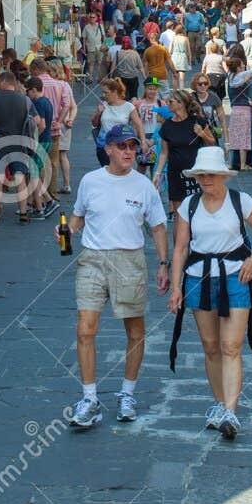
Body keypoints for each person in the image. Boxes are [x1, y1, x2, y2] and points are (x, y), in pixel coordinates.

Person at [167, 147, 252, 440]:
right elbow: (180, 248)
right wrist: (176, 286)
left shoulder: (241, 201)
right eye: (201, 175)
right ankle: (219, 403)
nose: (206, 179)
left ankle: (230, 411)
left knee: (231, 346)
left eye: (211, 174)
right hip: (198, 277)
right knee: (210, 345)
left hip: (235, 276)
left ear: (223, 176)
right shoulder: (189, 205)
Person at [68, 124, 171, 430]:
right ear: (109, 149)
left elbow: (158, 226)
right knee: (85, 330)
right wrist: (68, 229)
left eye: (132, 146)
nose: (129, 152)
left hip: (129, 260)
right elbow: (78, 215)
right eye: (122, 146)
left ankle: (127, 393)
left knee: (135, 330)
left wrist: (163, 264)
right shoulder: (90, 181)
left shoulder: (143, 185)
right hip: (92, 259)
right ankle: (89, 399)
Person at [0, 70, 38, 225]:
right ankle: (23, 213)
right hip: (19, 140)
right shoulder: (24, 99)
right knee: (20, 176)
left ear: (4, 81)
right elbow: (37, 121)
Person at [155, 89, 217, 223]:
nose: (167, 103)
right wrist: (158, 173)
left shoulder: (197, 121)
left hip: (196, 174)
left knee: (198, 213)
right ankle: (180, 238)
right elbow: (164, 153)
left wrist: (202, 134)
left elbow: (212, 142)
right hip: (175, 174)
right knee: (179, 216)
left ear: (181, 103)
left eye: (170, 101)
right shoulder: (167, 125)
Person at [31, 58, 77, 197]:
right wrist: (59, 121)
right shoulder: (60, 84)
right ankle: (52, 194)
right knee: (54, 162)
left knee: (40, 162)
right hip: (55, 128)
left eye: (32, 70)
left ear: (36, 69)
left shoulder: (36, 83)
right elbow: (67, 104)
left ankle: (41, 196)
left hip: (40, 128)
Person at [91, 78, 148, 169]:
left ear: (114, 92)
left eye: (106, 93)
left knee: (120, 171)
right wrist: (98, 113)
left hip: (121, 146)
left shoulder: (128, 106)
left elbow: (139, 125)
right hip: (104, 146)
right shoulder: (103, 105)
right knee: (108, 171)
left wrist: (143, 141)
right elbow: (94, 124)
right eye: (103, 92)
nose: (103, 95)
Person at [26, 75, 56, 218]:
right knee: (34, 173)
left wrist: (33, 139)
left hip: (41, 141)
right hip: (47, 140)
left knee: (33, 174)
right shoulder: (47, 101)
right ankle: (36, 204)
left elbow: (41, 125)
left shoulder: (38, 103)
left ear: (33, 90)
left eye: (28, 91)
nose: (27, 94)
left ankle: (48, 201)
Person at [225, 53, 252, 171]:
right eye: (242, 64)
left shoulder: (230, 77)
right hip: (244, 109)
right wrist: (247, 76)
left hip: (234, 110)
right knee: (244, 136)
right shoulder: (241, 75)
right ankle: (242, 165)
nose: (244, 65)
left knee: (234, 136)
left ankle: (231, 163)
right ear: (238, 67)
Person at [190, 72, 225, 142]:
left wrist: (227, 141)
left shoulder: (213, 97)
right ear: (195, 85)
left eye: (205, 83)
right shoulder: (190, 98)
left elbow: (223, 120)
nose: (203, 85)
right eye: (200, 84)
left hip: (211, 132)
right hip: (194, 133)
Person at [111, 35, 145, 100]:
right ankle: (133, 105)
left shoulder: (118, 53)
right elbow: (141, 68)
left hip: (122, 78)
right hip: (133, 78)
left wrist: (111, 77)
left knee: (122, 95)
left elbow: (113, 67)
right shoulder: (135, 53)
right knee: (134, 95)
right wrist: (144, 78)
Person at [166, 17, 192, 86]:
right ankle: (181, 91)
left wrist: (168, 60)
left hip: (174, 57)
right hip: (183, 57)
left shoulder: (173, 38)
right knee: (181, 79)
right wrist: (189, 61)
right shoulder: (186, 38)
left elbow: (169, 51)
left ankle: (174, 91)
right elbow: (189, 51)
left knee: (174, 77)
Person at [82, 16, 107, 84]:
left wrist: (104, 44)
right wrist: (84, 48)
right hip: (90, 47)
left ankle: (99, 78)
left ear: (96, 18)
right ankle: (90, 78)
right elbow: (84, 38)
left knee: (100, 63)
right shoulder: (86, 27)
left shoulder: (100, 26)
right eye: (90, 17)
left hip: (99, 47)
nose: (92, 18)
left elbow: (103, 36)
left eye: (93, 17)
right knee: (91, 63)